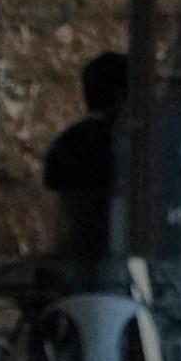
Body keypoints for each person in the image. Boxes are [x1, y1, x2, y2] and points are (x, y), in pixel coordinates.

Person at [43, 52, 129, 281]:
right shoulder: (134, 147)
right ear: (123, 94)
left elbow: (52, 216)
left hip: (75, 260)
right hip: (122, 261)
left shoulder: (65, 144)